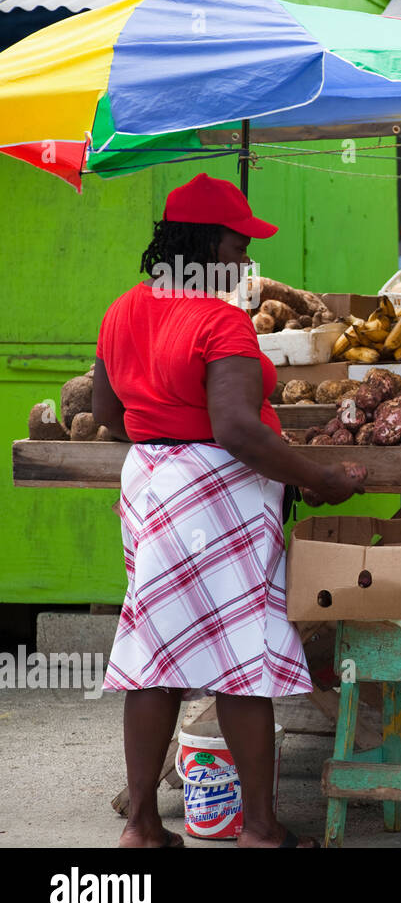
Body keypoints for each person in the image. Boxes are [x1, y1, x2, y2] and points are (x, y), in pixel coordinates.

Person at [93, 173, 365, 848]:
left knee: (155, 653)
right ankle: (261, 828)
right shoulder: (220, 319)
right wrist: (323, 479)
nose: (246, 264)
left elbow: (105, 412)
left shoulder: (122, 308)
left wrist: (165, 439)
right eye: (241, 249)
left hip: (150, 484)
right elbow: (239, 430)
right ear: (212, 245)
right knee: (243, 655)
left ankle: (143, 827)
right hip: (217, 492)